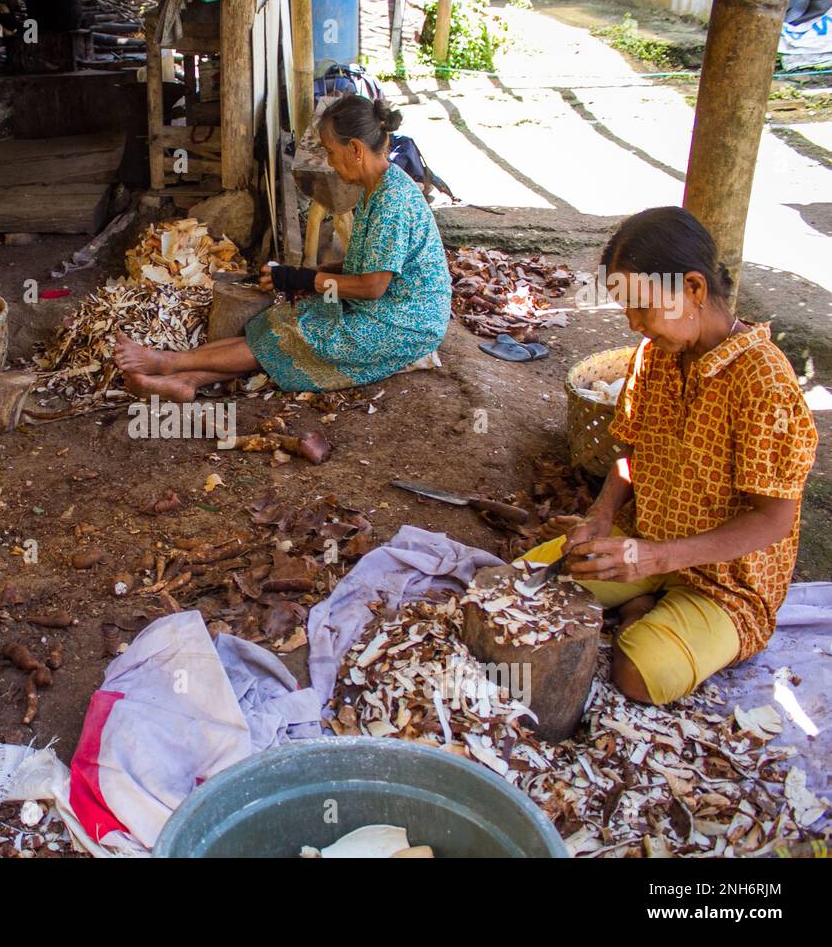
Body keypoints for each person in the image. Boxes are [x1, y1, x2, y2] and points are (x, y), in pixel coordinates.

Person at [522, 207, 818, 705]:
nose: (636, 324)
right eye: (626, 310)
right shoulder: (655, 355)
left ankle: (641, 608)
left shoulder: (763, 381)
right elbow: (630, 453)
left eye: (643, 306)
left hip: (727, 580)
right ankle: (645, 598)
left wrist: (658, 559)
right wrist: (602, 513)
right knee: (521, 589)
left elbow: (774, 520)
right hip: (645, 538)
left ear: (695, 290)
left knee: (639, 677)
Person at [113, 94, 452, 401]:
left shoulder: (391, 199)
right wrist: (316, 275)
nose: (331, 163)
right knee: (282, 320)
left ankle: (167, 363)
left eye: (332, 153)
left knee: (302, 333)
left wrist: (302, 280)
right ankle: (187, 380)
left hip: (404, 323)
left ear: (356, 150)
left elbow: (373, 286)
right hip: (385, 308)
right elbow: (370, 265)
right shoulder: (376, 187)